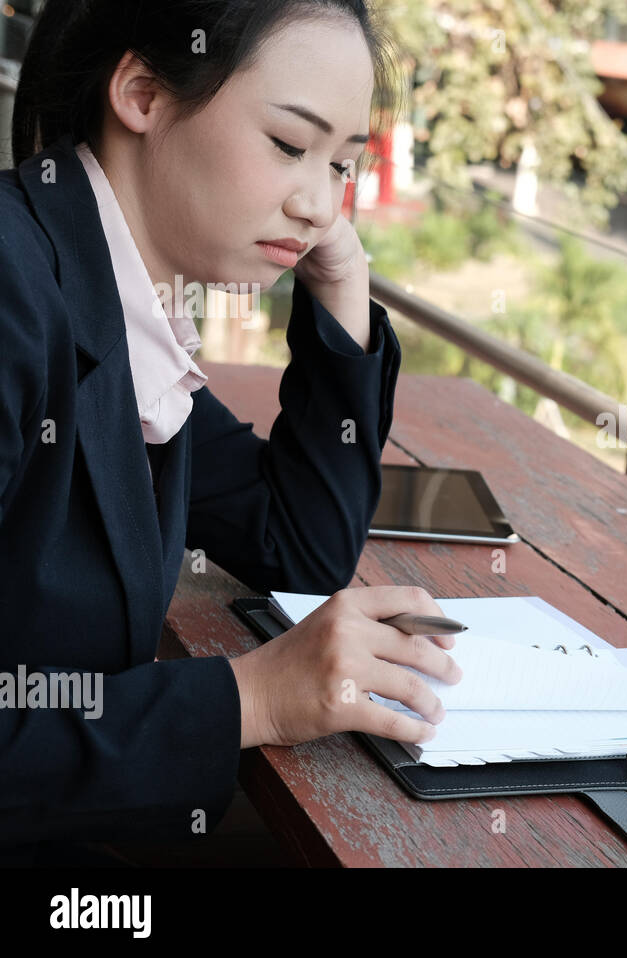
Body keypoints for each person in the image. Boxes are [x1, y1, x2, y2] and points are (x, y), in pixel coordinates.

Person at [0, 0, 462, 865]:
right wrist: (251, 698)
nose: (318, 203)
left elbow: (300, 544)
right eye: (290, 145)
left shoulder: (119, 316)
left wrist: (341, 286)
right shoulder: (15, 296)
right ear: (141, 92)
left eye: (344, 166)